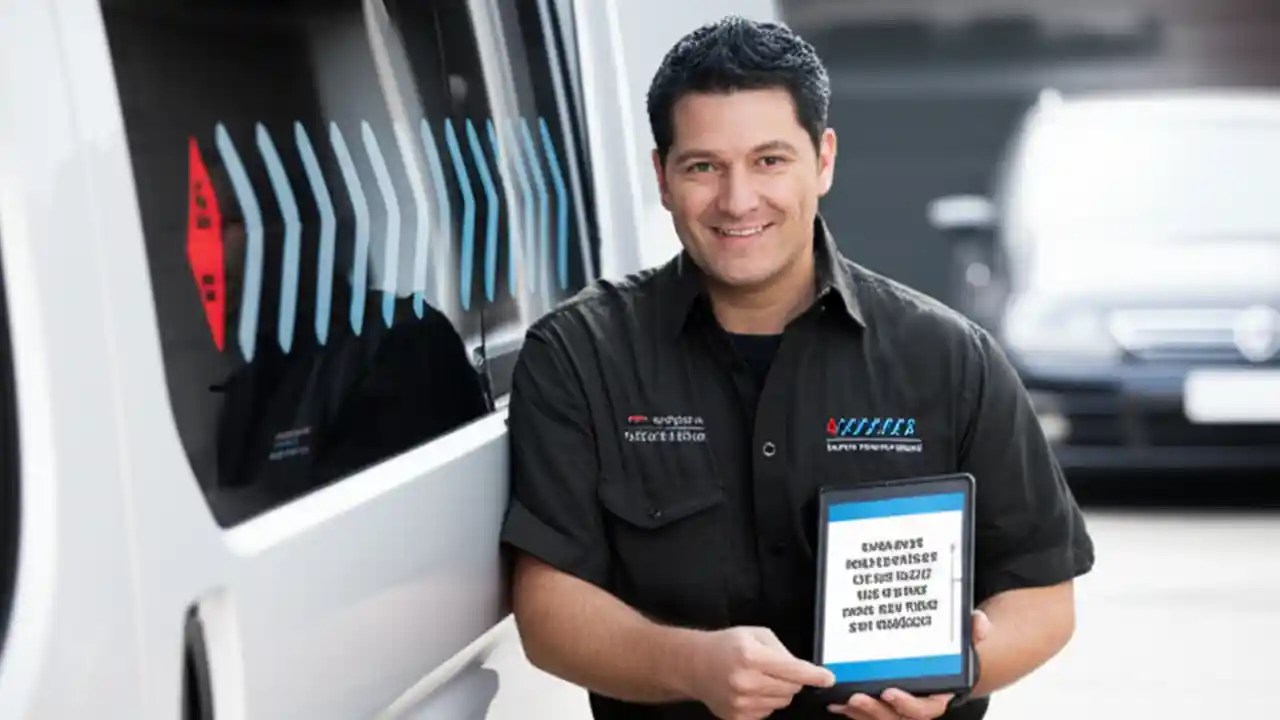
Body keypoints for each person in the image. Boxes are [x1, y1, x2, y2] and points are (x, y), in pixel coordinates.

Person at [500, 16, 1093, 720]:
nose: (738, 200)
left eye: (770, 160)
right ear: (662, 176)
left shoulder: (949, 359)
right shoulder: (579, 357)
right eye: (703, 166)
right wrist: (694, 666)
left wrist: (956, 676)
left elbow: (1043, 594)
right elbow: (548, 608)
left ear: (824, 160)